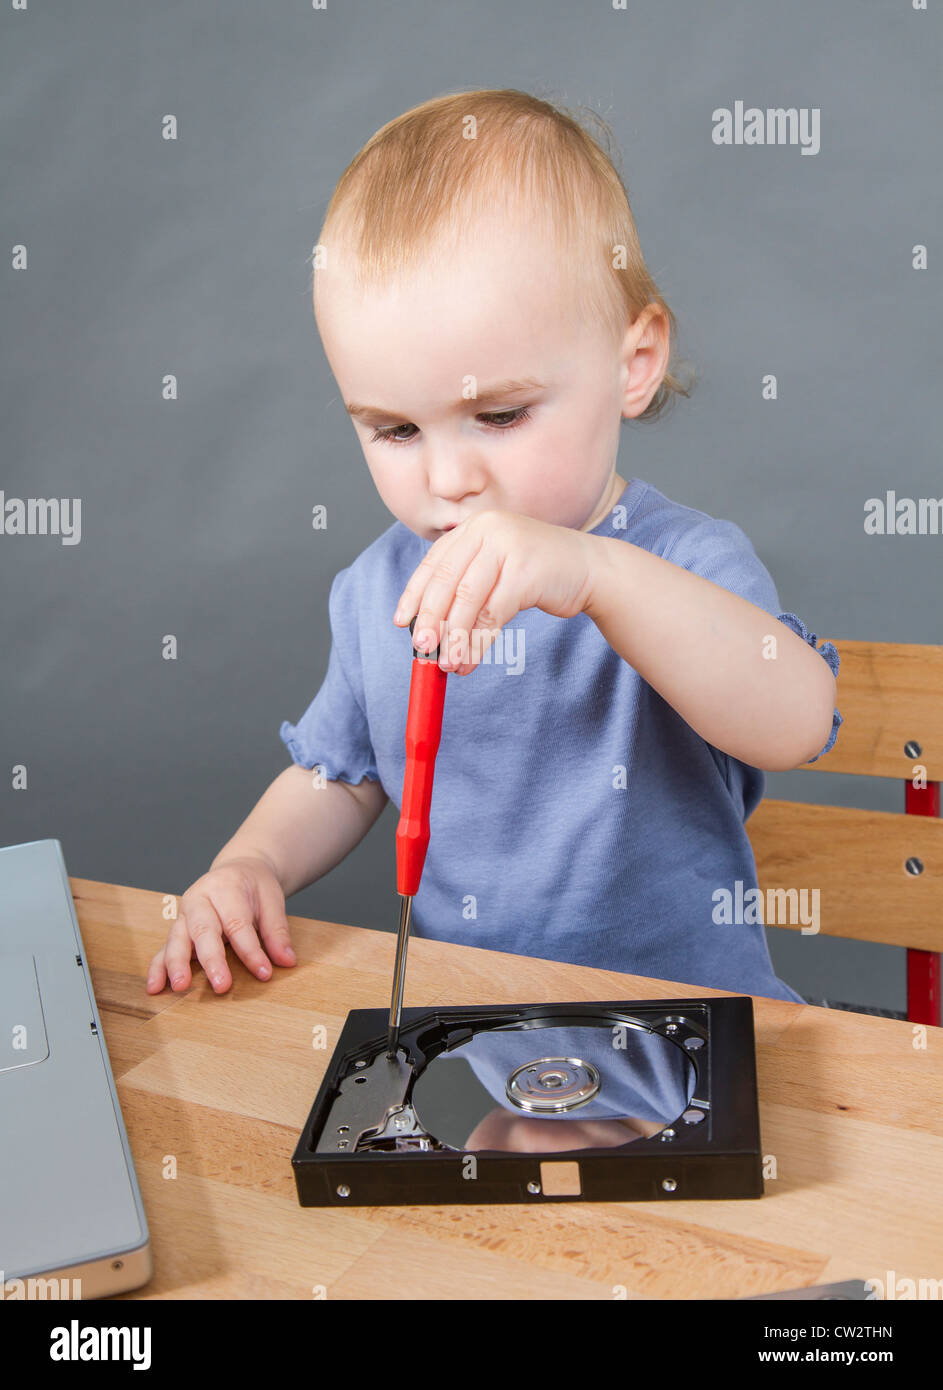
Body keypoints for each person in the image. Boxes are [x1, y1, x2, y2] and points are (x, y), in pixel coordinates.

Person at [146, 88, 841, 1005]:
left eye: (500, 415)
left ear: (632, 364)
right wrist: (251, 865)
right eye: (395, 430)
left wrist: (595, 576)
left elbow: (794, 721)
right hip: (494, 1046)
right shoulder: (381, 590)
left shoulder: (676, 563)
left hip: (697, 1048)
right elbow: (342, 774)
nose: (447, 479)